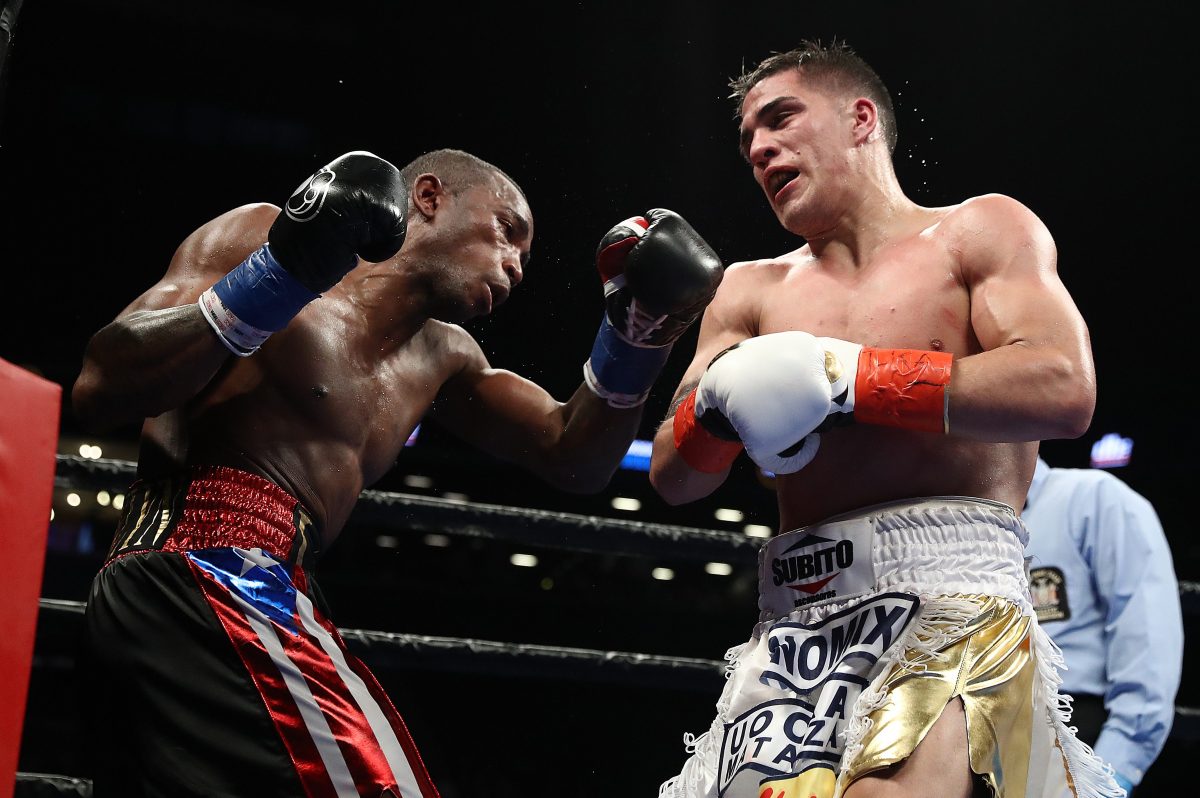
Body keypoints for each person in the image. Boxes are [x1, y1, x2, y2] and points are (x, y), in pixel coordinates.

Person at [70, 148, 724, 797]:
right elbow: (102, 385)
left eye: (524, 254)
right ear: (430, 197)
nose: (517, 265)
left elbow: (573, 456)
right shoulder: (257, 232)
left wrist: (638, 339)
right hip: (210, 579)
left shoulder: (445, 356)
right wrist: (280, 273)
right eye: (507, 231)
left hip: (252, 591)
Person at [649, 40, 1121, 798]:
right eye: (747, 141)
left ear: (860, 119)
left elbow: (1063, 387)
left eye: (780, 118)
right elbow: (675, 478)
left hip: (948, 597)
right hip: (796, 629)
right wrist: (713, 411)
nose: (761, 147)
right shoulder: (747, 291)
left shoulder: (979, 232)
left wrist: (848, 379)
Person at [1023, 455, 1183, 796]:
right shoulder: (948, 523)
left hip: (1073, 724)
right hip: (970, 736)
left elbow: (1149, 641)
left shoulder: (1092, 498)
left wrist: (1111, 774)